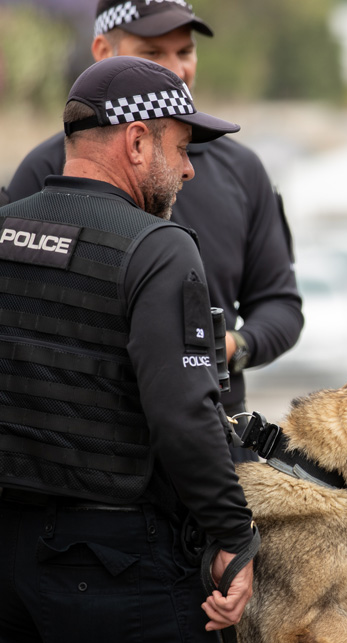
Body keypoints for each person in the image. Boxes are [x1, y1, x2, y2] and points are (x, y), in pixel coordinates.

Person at [0, 56, 256, 643]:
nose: (191, 169)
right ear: (138, 141)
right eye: (183, 146)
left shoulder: (4, 231)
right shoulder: (157, 249)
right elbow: (184, 416)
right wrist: (233, 536)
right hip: (118, 570)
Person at [6, 0, 303, 461]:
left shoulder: (243, 171)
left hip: (213, 443)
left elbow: (281, 305)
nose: (176, 69)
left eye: (184, 51)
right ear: (103, 50)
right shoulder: (47, 170)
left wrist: (229, 347)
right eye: (152, 53)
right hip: (91, 456)